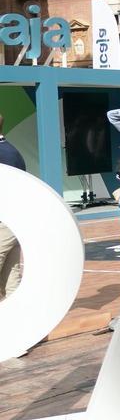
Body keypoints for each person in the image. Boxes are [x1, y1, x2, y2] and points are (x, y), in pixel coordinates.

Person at [0, 112, 26, 300]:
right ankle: (17, 323)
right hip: (13, 220)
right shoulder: (12, 151)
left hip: (4, 221)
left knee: (11, 274)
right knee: (11, 275)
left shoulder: (4, 154)